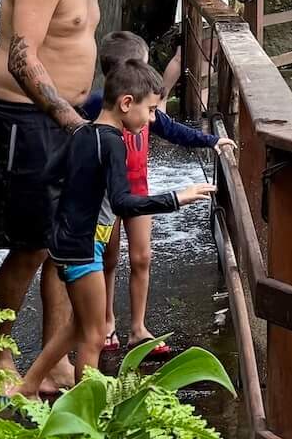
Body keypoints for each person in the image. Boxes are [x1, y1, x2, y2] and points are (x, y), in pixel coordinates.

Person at [0, 0, 157, 395]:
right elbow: (21, 56)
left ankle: (54, 362)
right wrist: (72, 121)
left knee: (64, 247)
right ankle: (0, 353)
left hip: (68, 123)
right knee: (28, 246)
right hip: (25, 122)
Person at [14, 56, 214, 397]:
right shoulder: (112, 143)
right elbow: (123, 203)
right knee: (92, 337)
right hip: (84, 247)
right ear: (126, 103)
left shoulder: (83, 132)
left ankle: (28, 385)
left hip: (67, 242)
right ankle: (87, 414)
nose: (153, 118)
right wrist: (178, 197)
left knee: (78, 325)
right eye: (150, 110)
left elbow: (49, 175)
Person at [98, 28, 229, 359]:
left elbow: (171, 129)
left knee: (142, 257)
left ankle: (138, 328)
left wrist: (211, 140)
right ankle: (106, 321)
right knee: (108, 259)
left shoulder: (145, 108)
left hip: (139, 188)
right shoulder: (101, 108)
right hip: (106, 194)